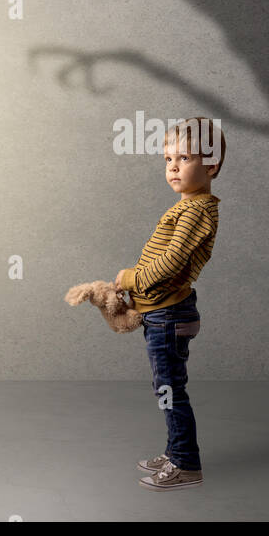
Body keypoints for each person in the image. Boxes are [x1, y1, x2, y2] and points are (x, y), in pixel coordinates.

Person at [114, 117, 225, 490]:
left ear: (211, 165)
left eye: (184, 158)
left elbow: (172, 263)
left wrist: (132, 278)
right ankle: (176, 450)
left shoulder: (196, 211)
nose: (173, 166)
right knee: (166, 386)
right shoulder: (187, 207)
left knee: (170, 389)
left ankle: (186, 463)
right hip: (163, 312)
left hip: (169, 314)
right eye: (167, 159)